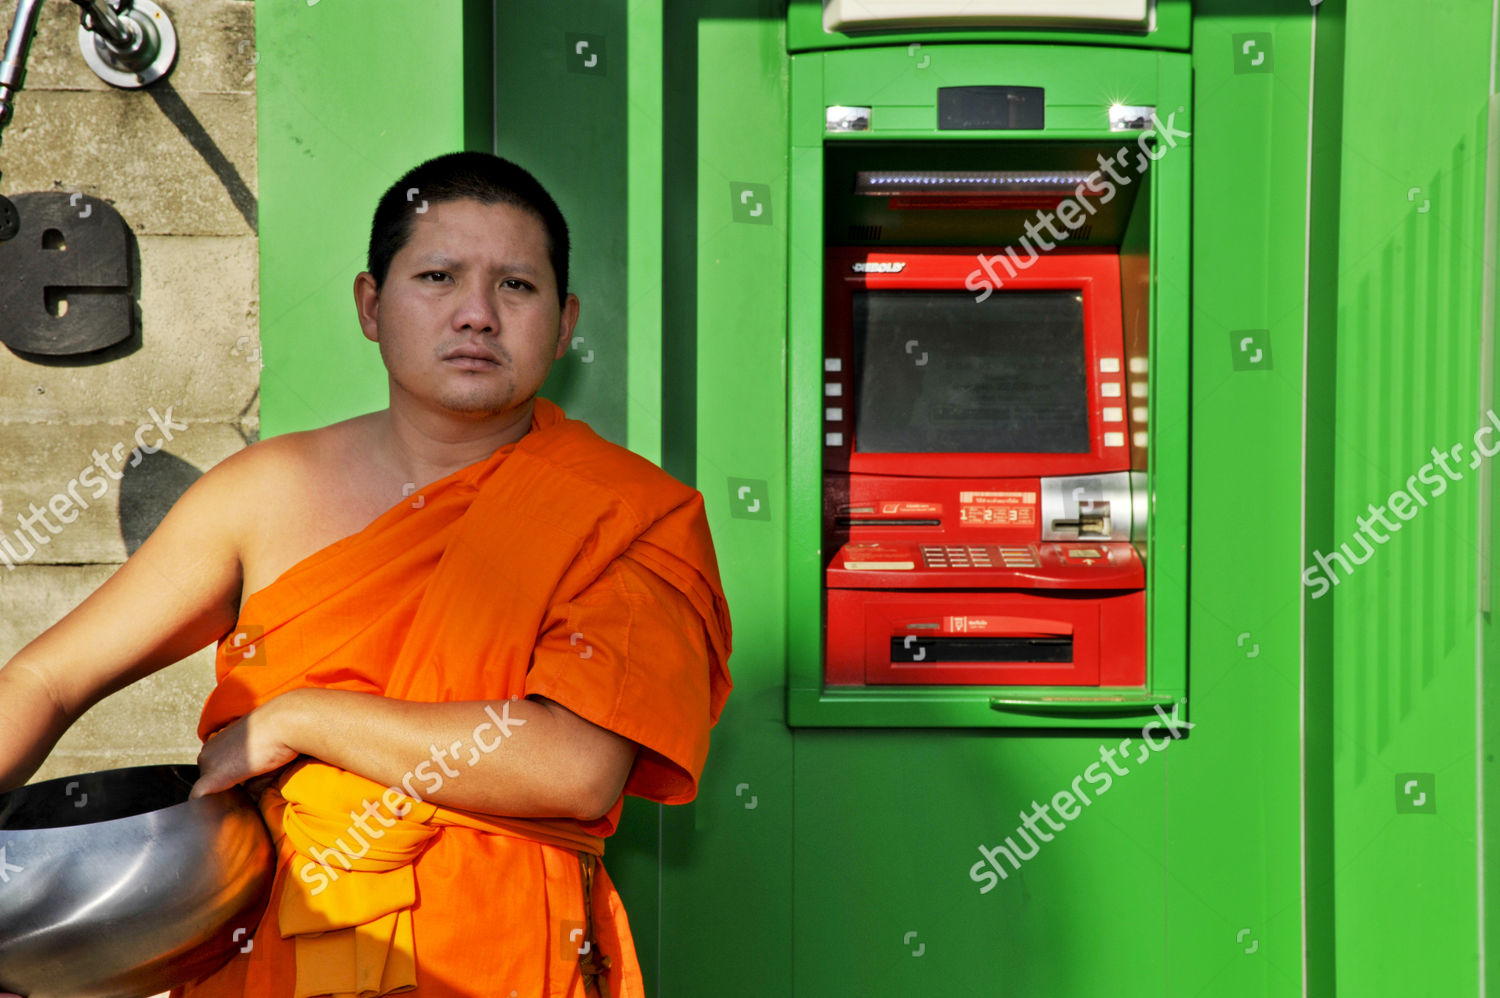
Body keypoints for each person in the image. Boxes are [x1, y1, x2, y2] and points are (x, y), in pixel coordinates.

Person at [0, 151, 733, 998]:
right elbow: (48, 679)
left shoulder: (625, 510)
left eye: (516, 287)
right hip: (273, 949)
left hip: (502, 957)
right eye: (437, 276)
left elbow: (575, 768)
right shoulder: (264, 494)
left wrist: (302, 717)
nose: (477, 315)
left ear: (564, 324)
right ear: (371, 306)